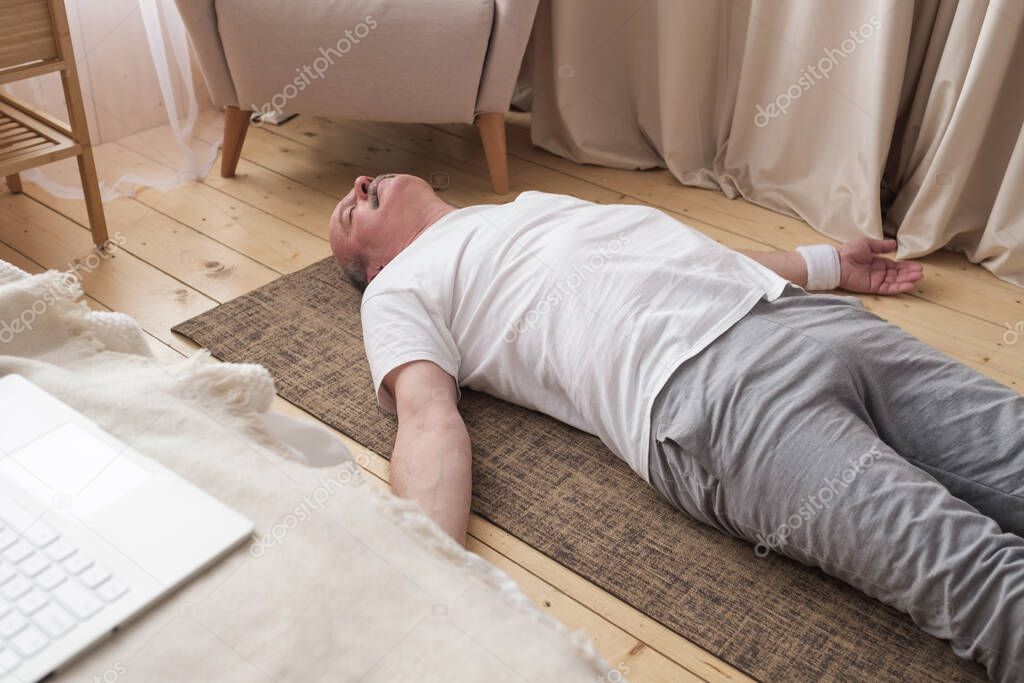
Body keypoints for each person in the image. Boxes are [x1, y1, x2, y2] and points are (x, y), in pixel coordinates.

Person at [329, 173, 1023, 681]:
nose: (359, 182)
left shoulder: (526, 206)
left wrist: (827, 265)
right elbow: (426, 419)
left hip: (797, 315)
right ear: (374, 266)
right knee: (980, 574)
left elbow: (692, 256)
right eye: (347, 211)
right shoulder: (397, 289)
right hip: (706, 391)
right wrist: (420, 581)